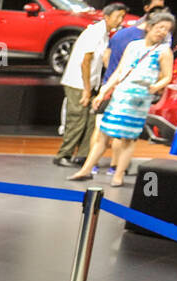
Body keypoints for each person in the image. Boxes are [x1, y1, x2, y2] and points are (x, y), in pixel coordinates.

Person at [71, 11, 176, 185]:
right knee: (103, 134)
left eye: (167, 30)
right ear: (149, 27)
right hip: (121, 94)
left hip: (140, 98)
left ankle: (118, 174)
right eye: (160, 27)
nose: (163, 32)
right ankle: (86, 169)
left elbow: (167, 76)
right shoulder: (133, 46)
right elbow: (120, 71)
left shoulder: (164, 51)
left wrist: (156, 86)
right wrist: (104, 91)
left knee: (129, 138)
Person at [54, 3, 127, 167]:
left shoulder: (105, 34)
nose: (121, 20)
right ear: (107, 17)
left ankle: (82, 156)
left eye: (122, 17)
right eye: (118, 17)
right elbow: (85, 62)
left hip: (90, 83)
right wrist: (87, 90)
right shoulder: (94, 32)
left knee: (90, 119)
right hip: (78, 83)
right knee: (77, 119)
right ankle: (63, 155)